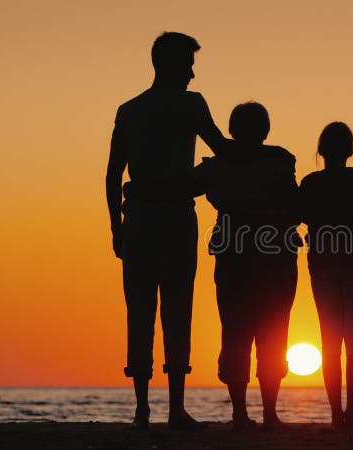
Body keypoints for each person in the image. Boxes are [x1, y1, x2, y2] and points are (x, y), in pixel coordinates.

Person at [105, 31, 232, 430]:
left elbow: (113, 173)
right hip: (176, 216)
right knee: (178, 309)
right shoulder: (191, 104)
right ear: (172, 64)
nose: (193, 74)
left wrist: (114, 224)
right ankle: (174, 409)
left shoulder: (129, 110)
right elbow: (222, 150)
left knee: (139, 310)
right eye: (189, 65)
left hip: (138, 217)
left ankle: (143, 409)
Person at [194, 102, 300, 430]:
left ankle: (240, 414)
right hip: (276, 257)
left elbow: (182, 186)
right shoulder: (280, 161)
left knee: (236, 332)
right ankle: (268, 413)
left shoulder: (218, 166)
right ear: (265, 129)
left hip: (234, 255)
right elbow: (296, 208)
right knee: (273, 332)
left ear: (232, 129)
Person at [299, 122, 353, 428]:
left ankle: (336, 413)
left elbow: (299, 215)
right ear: (350, 150)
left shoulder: (311, 182)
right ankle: (351, 412)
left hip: (323, 265)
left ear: (321, 150)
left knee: (329, 339)